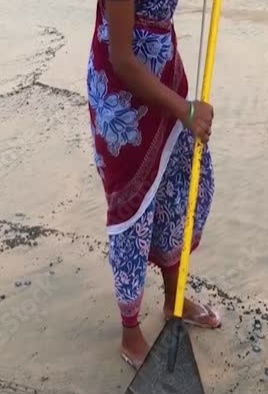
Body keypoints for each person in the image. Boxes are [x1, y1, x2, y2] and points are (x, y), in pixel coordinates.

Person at [87, 0, 219, 369]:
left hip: (166, 80)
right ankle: (131, 332)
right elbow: (122, 59)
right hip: (123, 100)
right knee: (134, 212)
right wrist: (185, 109)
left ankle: (174, 300)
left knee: (176, 191)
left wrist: (180, 105)